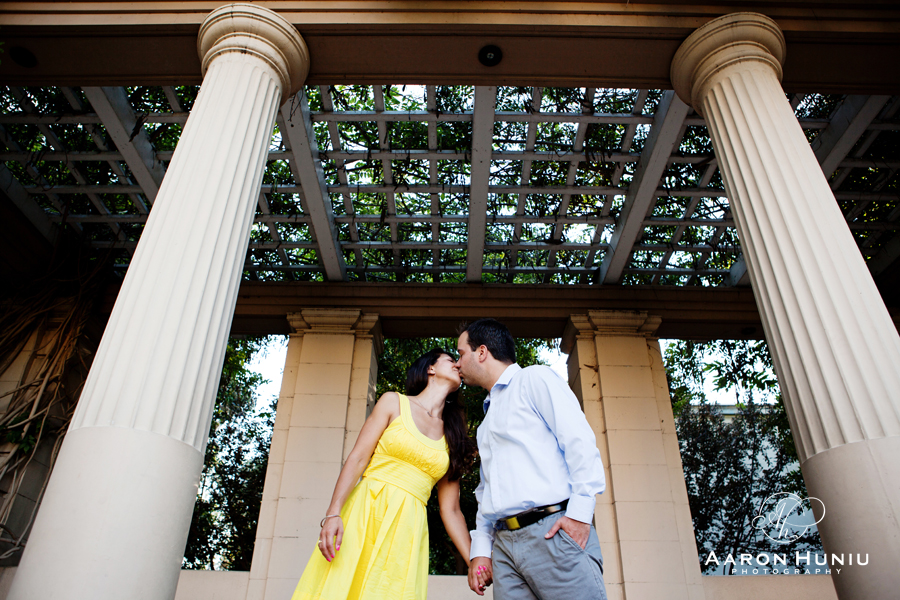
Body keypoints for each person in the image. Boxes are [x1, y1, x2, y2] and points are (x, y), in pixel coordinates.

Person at [291, 349, 480, 600]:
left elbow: (451, 510)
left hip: (408, 529)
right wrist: (333, 513)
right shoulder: (393, 402)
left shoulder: (454, 436)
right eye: (450, 360)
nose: (458, 364)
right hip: (365, 512)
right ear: (430, 368)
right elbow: (358, 458)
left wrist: (474, 562)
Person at [456, 318, 607, 600]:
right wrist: (481, 551)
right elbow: (486, 491)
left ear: (482, 352)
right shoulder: (487, 423)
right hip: (504, 549)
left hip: (552, 533)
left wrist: (579, 516)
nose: (457, 363)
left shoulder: (534, 379)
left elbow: (579, 443)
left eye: (461, 353)